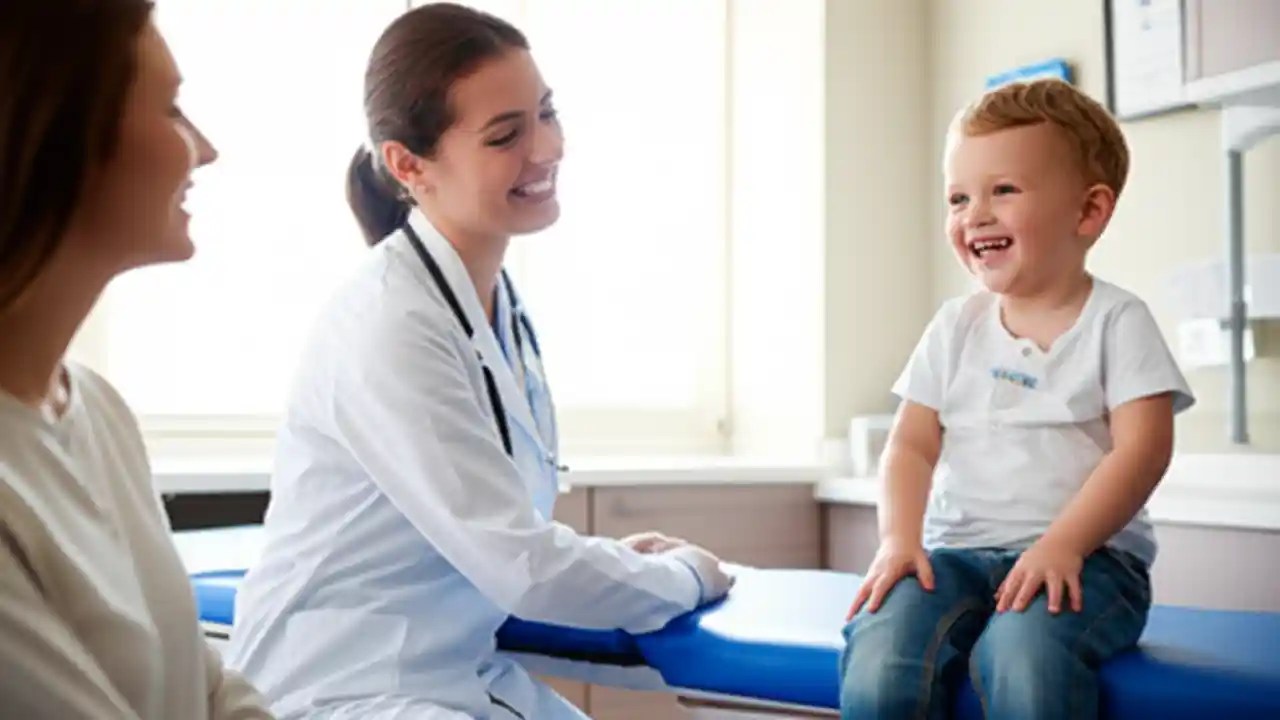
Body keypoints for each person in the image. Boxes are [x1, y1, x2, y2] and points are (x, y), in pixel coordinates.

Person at [226, 4, 734, 718]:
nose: (548, 148)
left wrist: (612, 566)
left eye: (546, 113)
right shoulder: (388, 322)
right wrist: (685, 576)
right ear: (408, 164)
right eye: (506, 135)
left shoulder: (490, 308)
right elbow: (519, 564)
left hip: (448, 672)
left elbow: (495, 535)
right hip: (343, 688)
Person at [839, 78, 1195, 720]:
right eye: (957, 197)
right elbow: (911, 447)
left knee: (1023, 658)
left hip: (1088, 560)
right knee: (882, 650)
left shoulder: (1118, 321)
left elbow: (1143, 450)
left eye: (1003, 190)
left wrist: (1062, 544)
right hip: (954, 555)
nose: (974, 214)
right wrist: (899, 539)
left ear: (1088, 212)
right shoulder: (955, 327)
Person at [0, 2, 274, 718]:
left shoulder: (96, 409)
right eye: (174, 109)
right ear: (56, 129)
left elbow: (205, 686)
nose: (205, 148)